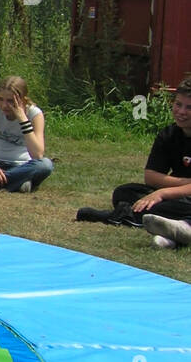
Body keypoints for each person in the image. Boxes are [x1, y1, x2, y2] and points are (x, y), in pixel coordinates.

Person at [76, 78, 191, 248]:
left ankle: (123, 216)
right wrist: (179, 187)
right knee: (123, 193)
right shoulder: (168, 135)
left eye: (189, 107)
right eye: (178, 104)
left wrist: (162, 194)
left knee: (158, 203)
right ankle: (177, 229)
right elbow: (151, 177)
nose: (181, 111)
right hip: (179, 198)